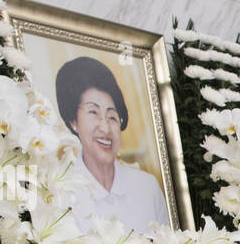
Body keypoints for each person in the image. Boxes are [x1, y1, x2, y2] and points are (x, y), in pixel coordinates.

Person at [55, 55, 169, 234]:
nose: (106, 127)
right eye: (93, 112)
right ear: (73, 121)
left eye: (112, 116)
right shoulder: (60, 193)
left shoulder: (147, 187)